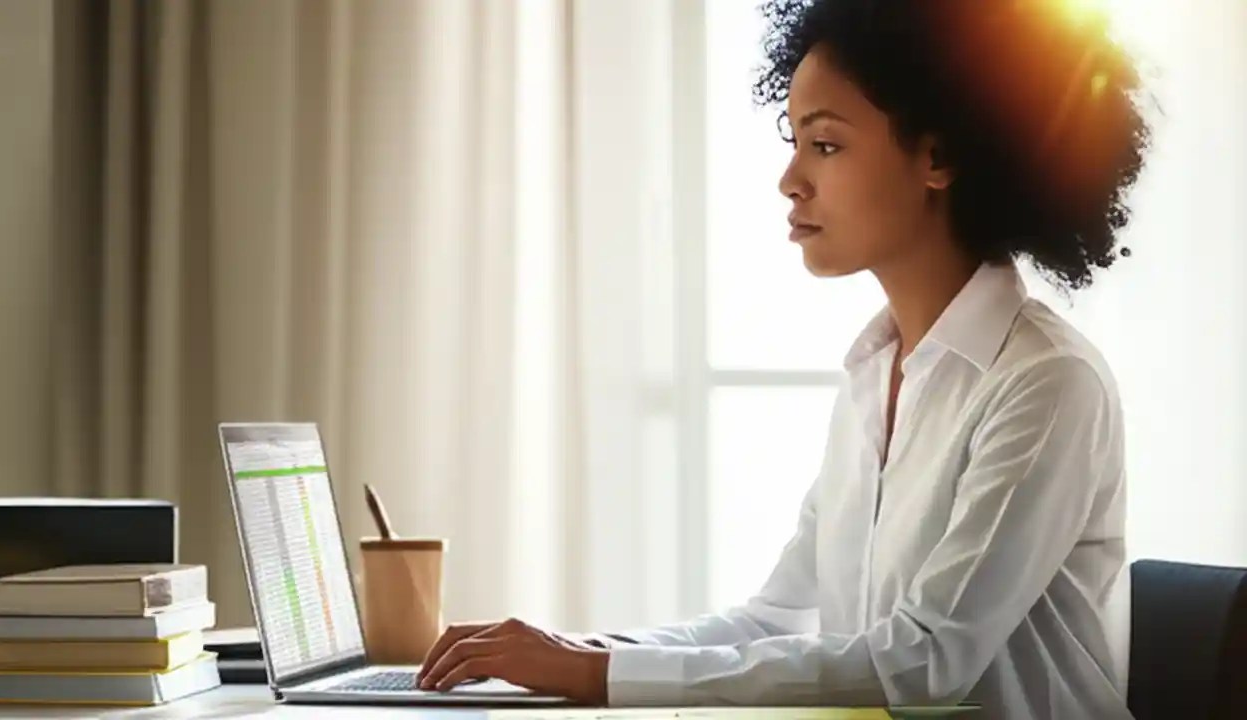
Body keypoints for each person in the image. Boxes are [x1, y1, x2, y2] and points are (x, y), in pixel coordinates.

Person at [415, 0, 1151, 717]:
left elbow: (924, 661)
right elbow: (778, 621)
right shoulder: (875, 371)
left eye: (824, 145)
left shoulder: (1046, 382)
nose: (790, 179)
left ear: (939, 156)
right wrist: (575, 653)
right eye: (792, 140)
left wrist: (598, 672)